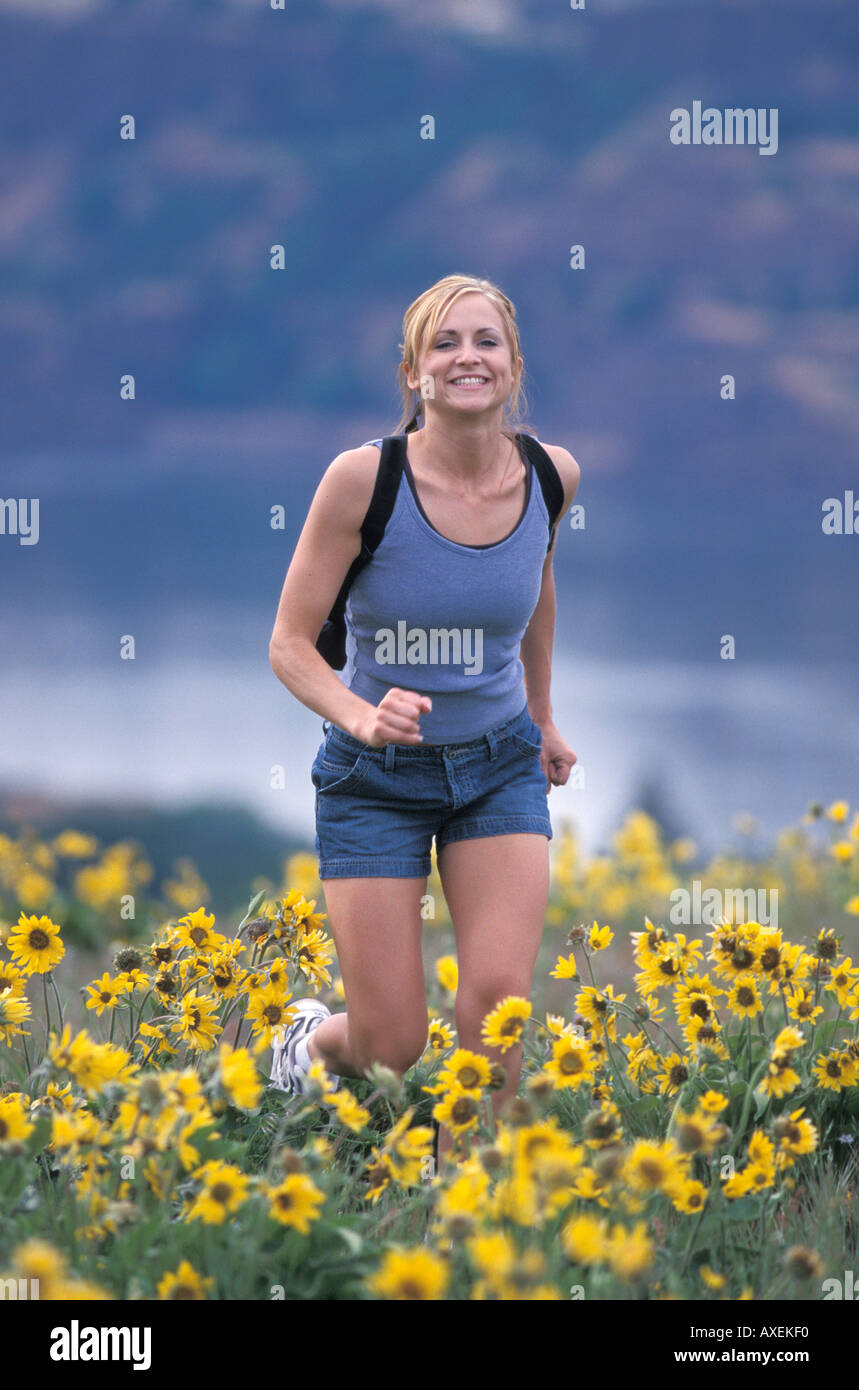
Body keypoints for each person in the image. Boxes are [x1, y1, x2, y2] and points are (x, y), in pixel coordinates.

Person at [268, 273, 580, 1167]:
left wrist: (545, 718)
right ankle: (306, 1043)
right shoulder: (360, 480)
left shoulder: (552, 476)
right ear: (413, 374)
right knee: (390, 1047)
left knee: (495, 1006)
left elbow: (536, 588)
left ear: (512, 365)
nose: (466, 357)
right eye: (443, 344)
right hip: (376, 782)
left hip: (500, 768)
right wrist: (362, 717)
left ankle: (458, 1210)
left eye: (485, 341)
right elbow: (290, 645)